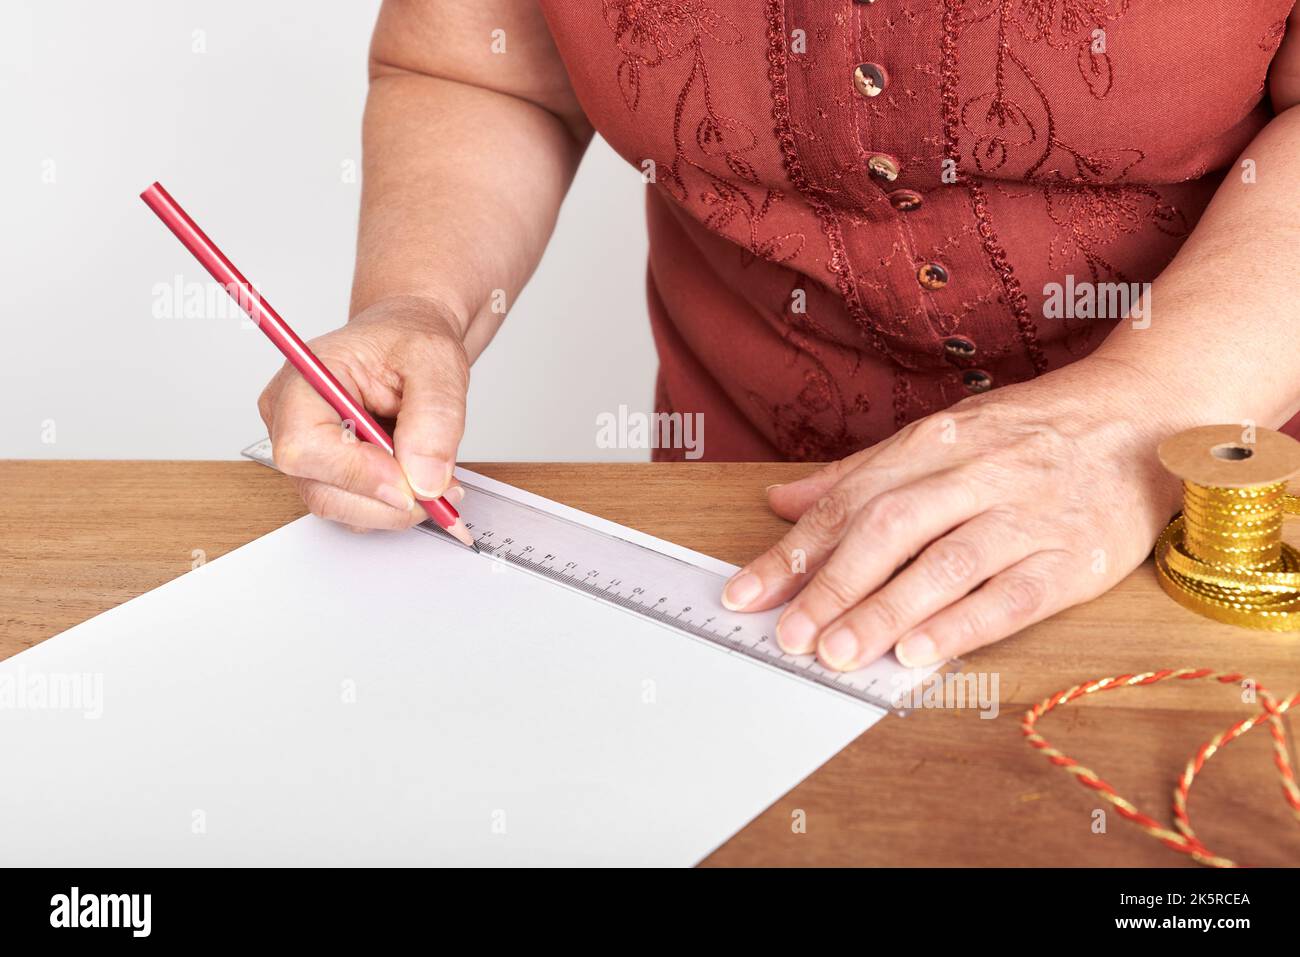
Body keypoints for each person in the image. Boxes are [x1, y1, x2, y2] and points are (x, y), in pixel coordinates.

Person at [258, 0, 1300, 674]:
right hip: (756, 533)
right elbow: (481, 69)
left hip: (1235, 524)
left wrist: (1134, 423)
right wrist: (421, 304)